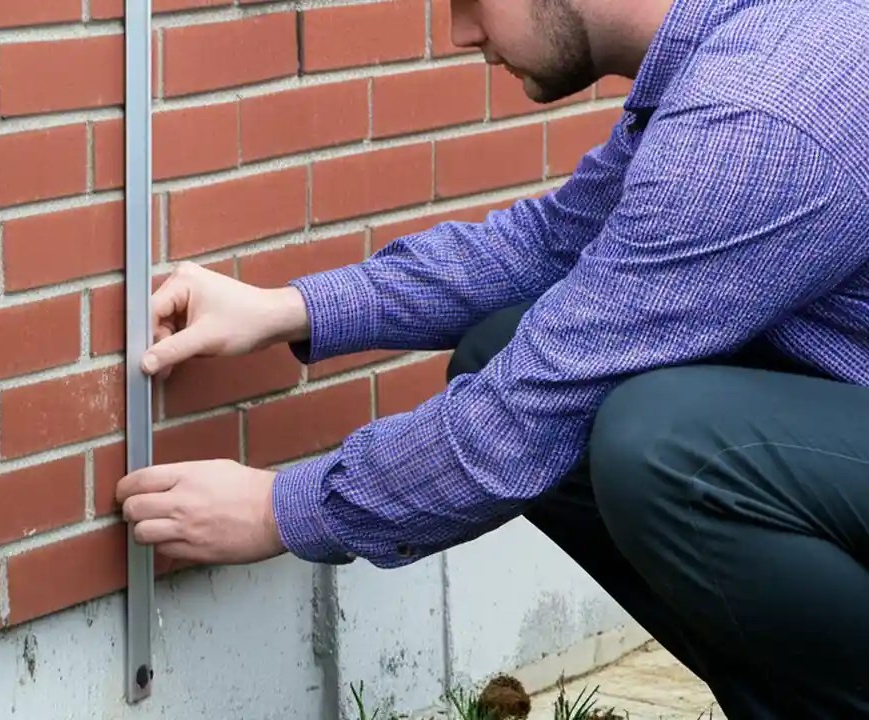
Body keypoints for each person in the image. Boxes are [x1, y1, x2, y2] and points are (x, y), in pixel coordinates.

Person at [115, 0, 869, 715]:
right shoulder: (739, 47)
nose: (459, 32)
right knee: (499, 350)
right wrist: (291, 309)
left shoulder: (756, 119)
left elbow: (531, 409)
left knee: (662, 444)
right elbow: (546, 245)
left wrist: (281, 510)